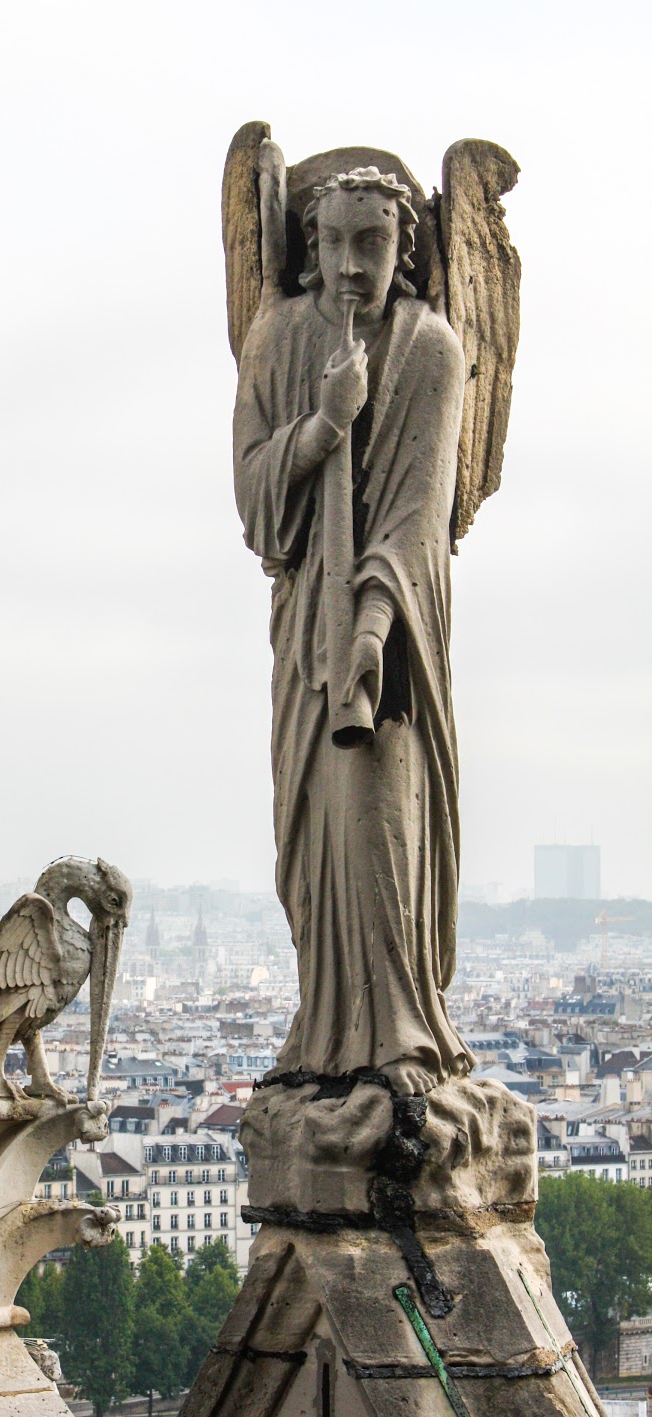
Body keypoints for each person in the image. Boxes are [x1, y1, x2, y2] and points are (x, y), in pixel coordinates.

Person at [233, 166, 474, 1094]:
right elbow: (255, 502)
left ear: (402, 250)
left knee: (377, 828)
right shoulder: (279, 335)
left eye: (368, 243)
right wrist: (324, 424)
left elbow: (418, 517)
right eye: (330, 243)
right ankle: (325, 1034)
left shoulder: (431, 350)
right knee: (309, 839)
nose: (345, 266)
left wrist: (370, 634)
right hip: (303, 630)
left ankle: (399, 1034)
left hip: (392, 646)